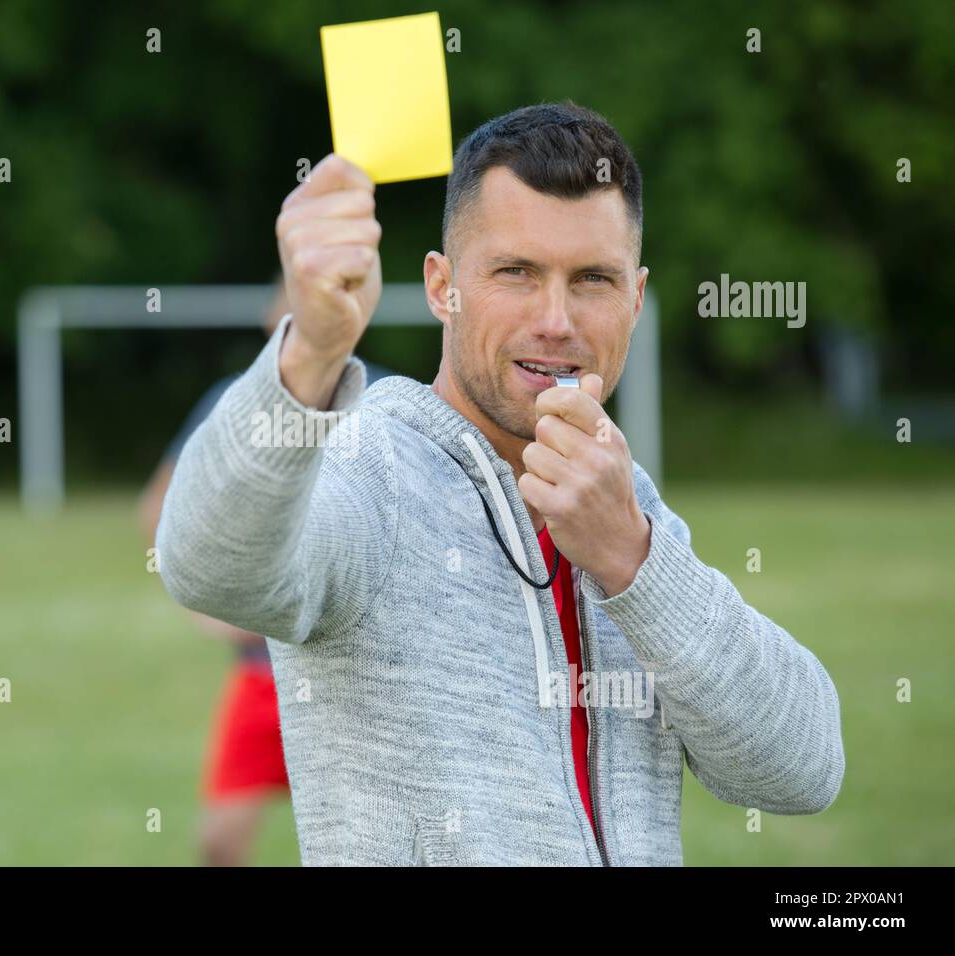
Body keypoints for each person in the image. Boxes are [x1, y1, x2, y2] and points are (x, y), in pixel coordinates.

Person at [156, 102, 845, 865]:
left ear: (636, 299)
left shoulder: (625, 502)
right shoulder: (373, 470)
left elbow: (802, 769)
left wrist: (632, 561)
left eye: (593, 279)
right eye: (516, 273)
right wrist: (311, 352)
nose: (556, 320)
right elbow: (206, 563)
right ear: (441, 286)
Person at [140, 279, 389, 866]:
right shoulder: (235, 402)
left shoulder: (384, 398)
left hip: (358, 672)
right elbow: (158, 508)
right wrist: (209, 604)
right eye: (294, 302)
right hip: (262, 674)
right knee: (219, 843)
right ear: (271, 316)